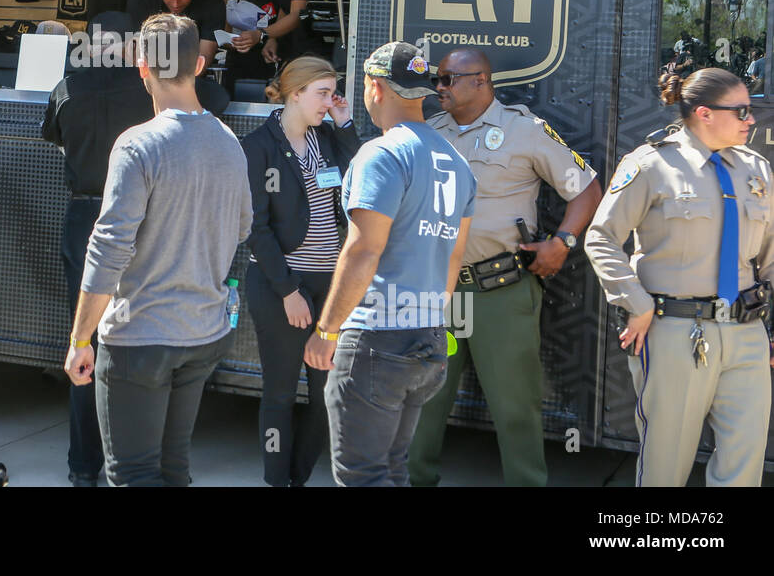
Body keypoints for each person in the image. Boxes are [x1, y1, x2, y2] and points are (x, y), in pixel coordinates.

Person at [63, 13, 252, 487]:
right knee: (173, 470)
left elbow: (108, 250)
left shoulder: (137, 145)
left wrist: (80, 339)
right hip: (201, 333)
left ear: (141, 65)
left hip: (139, 337)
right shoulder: (229, 142)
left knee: (133, 474)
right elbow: (243, 227)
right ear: (201, 65)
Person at [408, 47, 603, 487]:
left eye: (447, 79)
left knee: (516, 407)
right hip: (437, 292)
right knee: (422, 400)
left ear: (481, 81)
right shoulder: (428, 131)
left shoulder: (524, 130)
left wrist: (562, 242)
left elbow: (587, 189)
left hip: (500, 291)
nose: (438, 87)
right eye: (437, 79)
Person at [584, 67, 774, 487]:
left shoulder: (756, 169)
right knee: (665, 465)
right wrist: (636, 304)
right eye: (741, 110)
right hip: (674, 332)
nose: (751, 119)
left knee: (744, 465)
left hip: (746, 335)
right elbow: (601, 239)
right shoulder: (652, 165)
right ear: (704, 113)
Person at [303, 41, 475, 486]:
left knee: (362, 476)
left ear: (375, 87)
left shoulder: (381, 154)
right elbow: (454, 256)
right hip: (428, 338)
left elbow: (363, 250)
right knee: (392, 471)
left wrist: (327, 331)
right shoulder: (458, 163)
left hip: (377, 339)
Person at [240, 56, 360, 486]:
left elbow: (361, 171)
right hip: (280, 285)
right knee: (279, 392)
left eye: (333, 93)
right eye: (323, 94)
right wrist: (288, 290)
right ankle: (277, 480)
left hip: (329, 282)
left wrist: (345, 125)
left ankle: (297, 476)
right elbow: (256, 227)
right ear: (295, 93)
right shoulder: (259, 147)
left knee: (329, 393)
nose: (330, 102)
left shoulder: (326, 137)